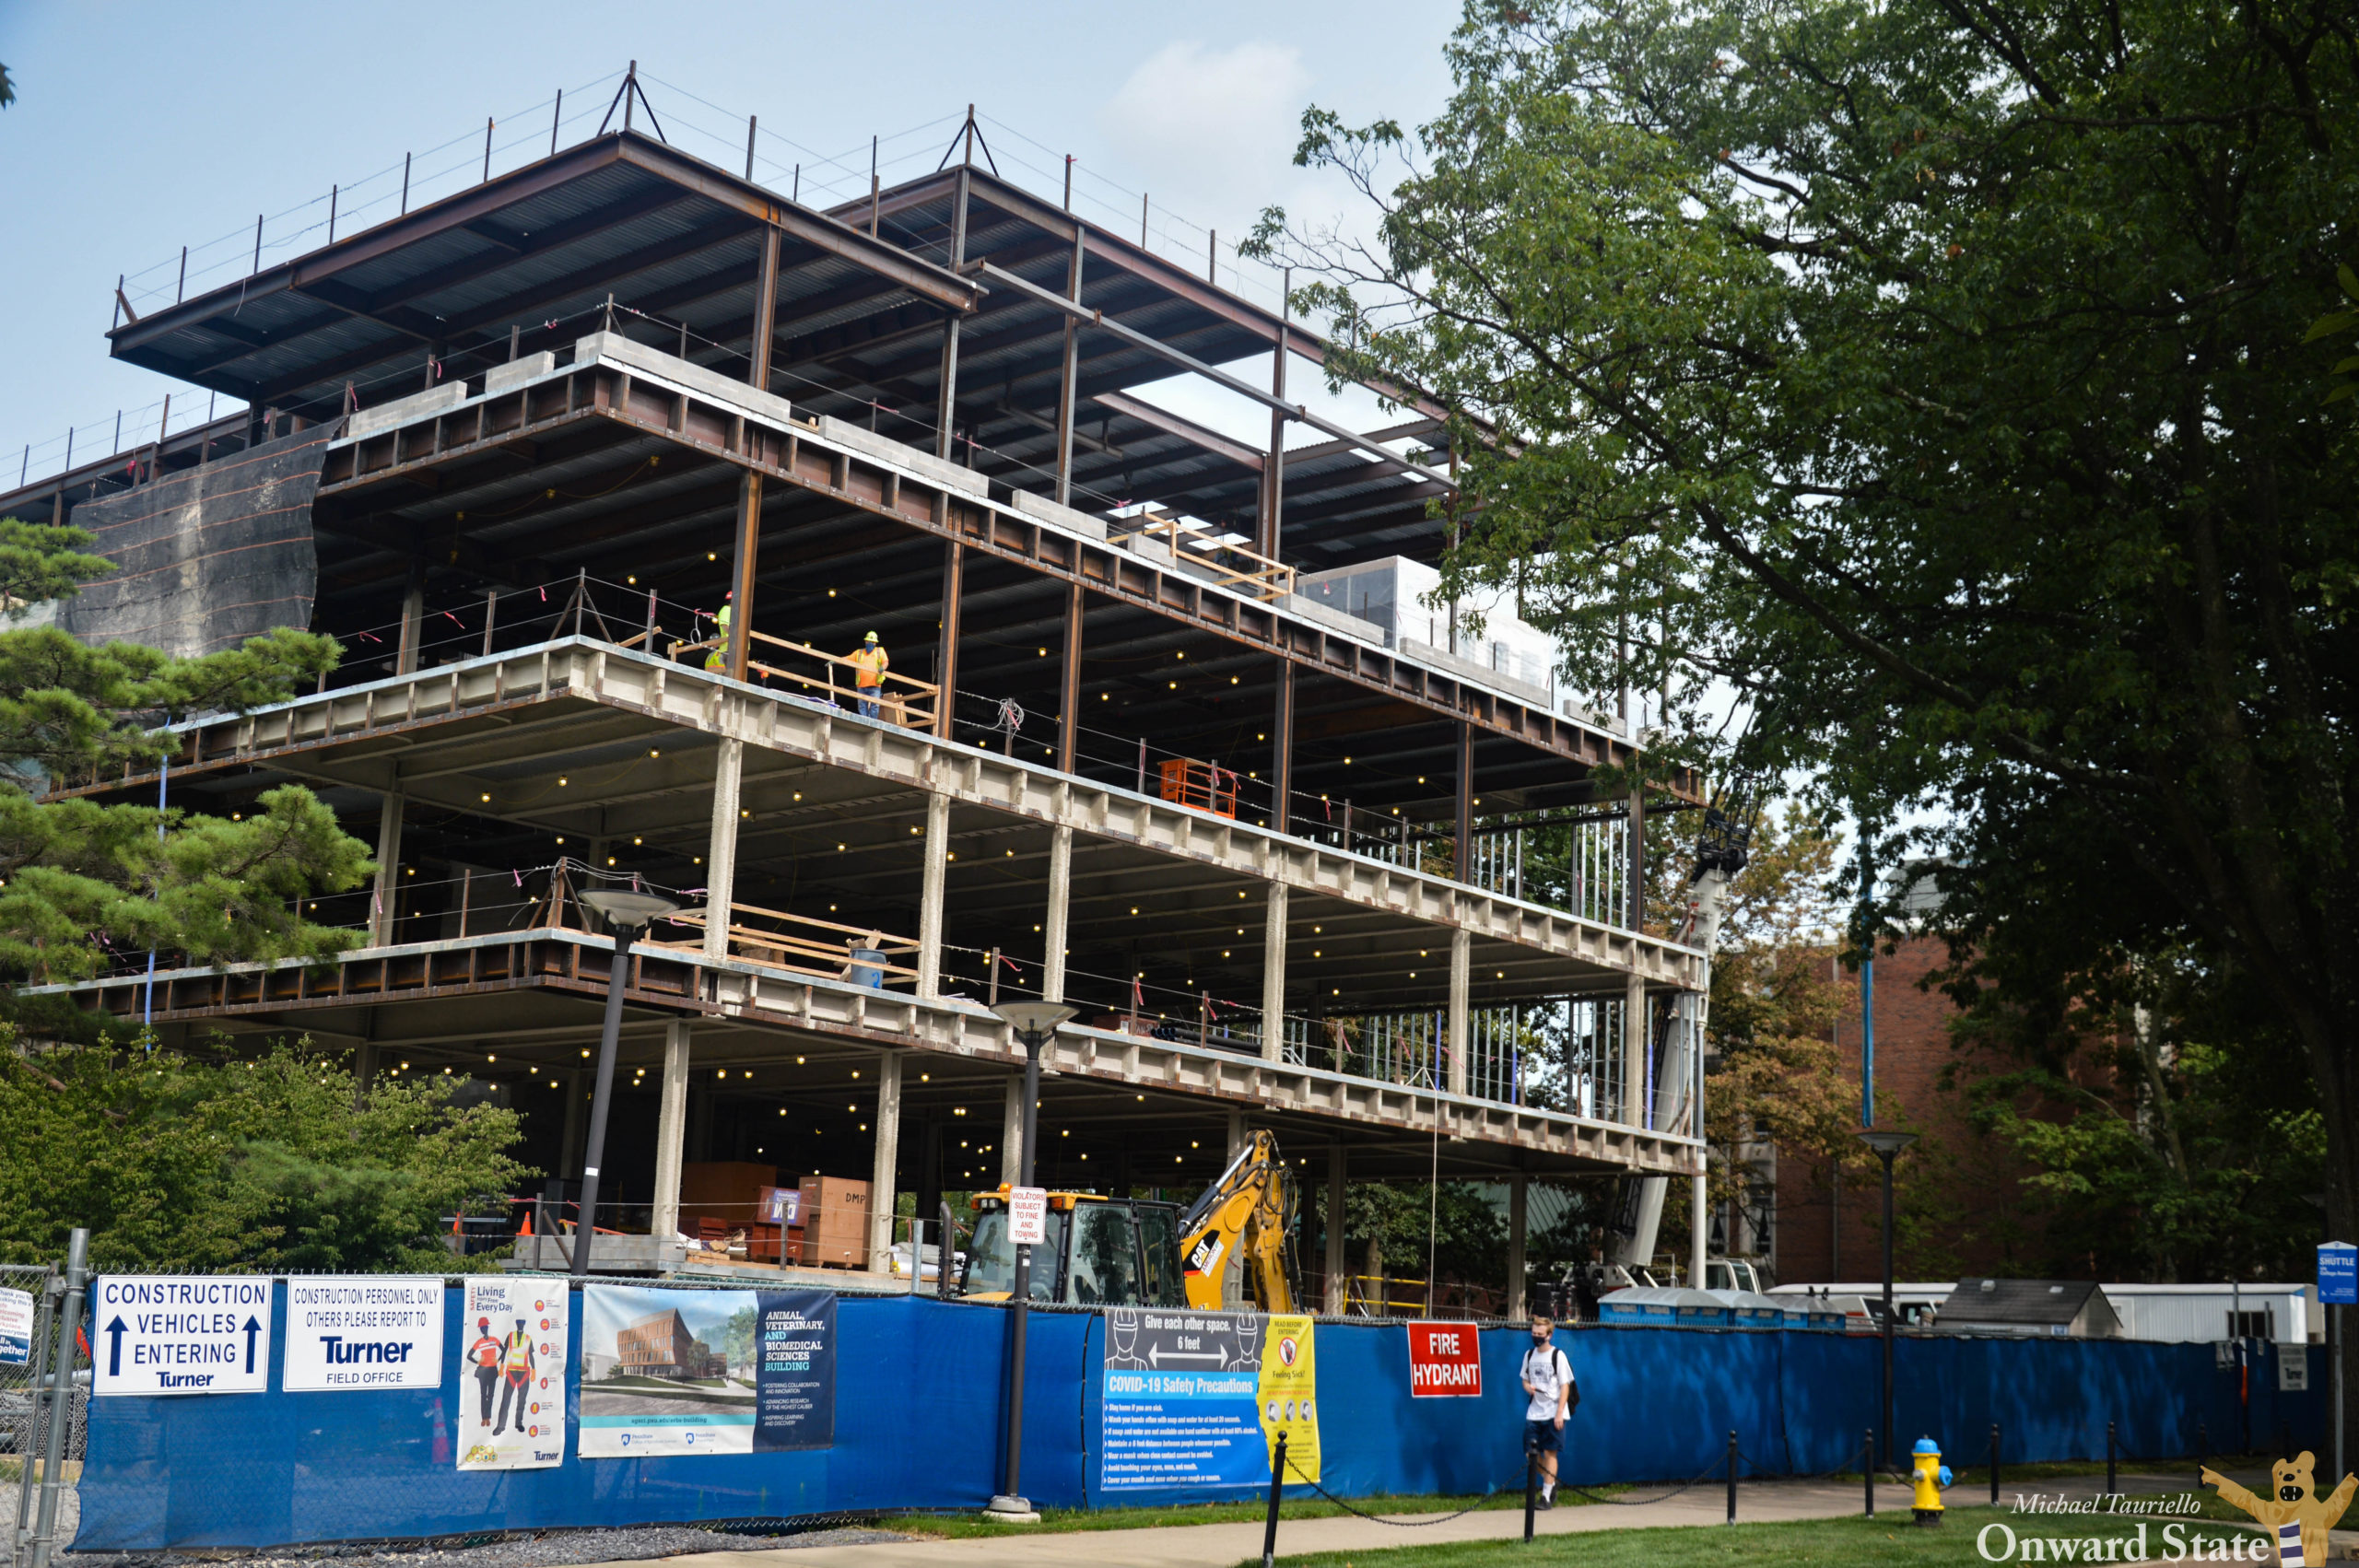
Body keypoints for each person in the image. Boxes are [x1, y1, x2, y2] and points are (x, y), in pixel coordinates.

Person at [1520, 1313, 1577, 1508]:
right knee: (1531, 1454)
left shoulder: (1558, 1356)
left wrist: (1560, 1413)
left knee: (1550, 1453)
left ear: (1549, 1335)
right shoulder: (1529, 1355)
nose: (1536, 1336)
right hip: (1534, 1412)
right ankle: (1551, 1481)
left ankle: (1545, 1496)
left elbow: (1565, 1386)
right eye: (1534, 1332)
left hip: (1553, 1411)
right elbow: (1525, 1379)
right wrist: (1528, 1387)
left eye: (1540, 1333)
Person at [493, 1316, 535, 1435]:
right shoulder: (510, 1336)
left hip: (524, 1373)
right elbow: (505, 1350)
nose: (520, 1324)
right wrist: (501, 1365)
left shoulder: (528, 1338)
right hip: (511, 1372)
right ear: (516, 1324)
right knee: (505, 1400)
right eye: (519, 1322)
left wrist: (534, 1370)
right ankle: (500, 1426)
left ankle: (519, 1423)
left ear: (524, 1324)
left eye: (522, 1322)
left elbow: (531, 1355)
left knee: (521, 1400)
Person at [467, 1316, 501, 1426]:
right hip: (483, 1371)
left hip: (492, 1370)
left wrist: (498, 1359)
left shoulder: (494, 1340)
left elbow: (504, 1349)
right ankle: (484, 1418)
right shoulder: (479, 1342)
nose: (483, 1329)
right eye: (482, 1328)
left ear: (487, 1327)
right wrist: (477, 1362)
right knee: (483, 1395)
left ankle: (488, 1417)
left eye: (485, 1327)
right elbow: (469, 1356)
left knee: (490, 1395)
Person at [849, 630, 887, 719]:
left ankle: (873, 722)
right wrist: (835, 661)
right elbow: (847, 659)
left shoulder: (880, 651)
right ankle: (864, 721)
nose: (870, 643)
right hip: (861, 685)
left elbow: (886, 662)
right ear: (865, 641)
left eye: (872, 642)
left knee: (875, 705)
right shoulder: (859, 653)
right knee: (862, 706)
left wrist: (883, 667)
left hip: (875, 684)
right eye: (868, 641)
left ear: (875, 643)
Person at [705, 591, 734, 673]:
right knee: (730, 673)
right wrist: (736, 638)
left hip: (733, 647)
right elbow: (724, 625)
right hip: (730, 647)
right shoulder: (726, 610)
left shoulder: (733, 612)